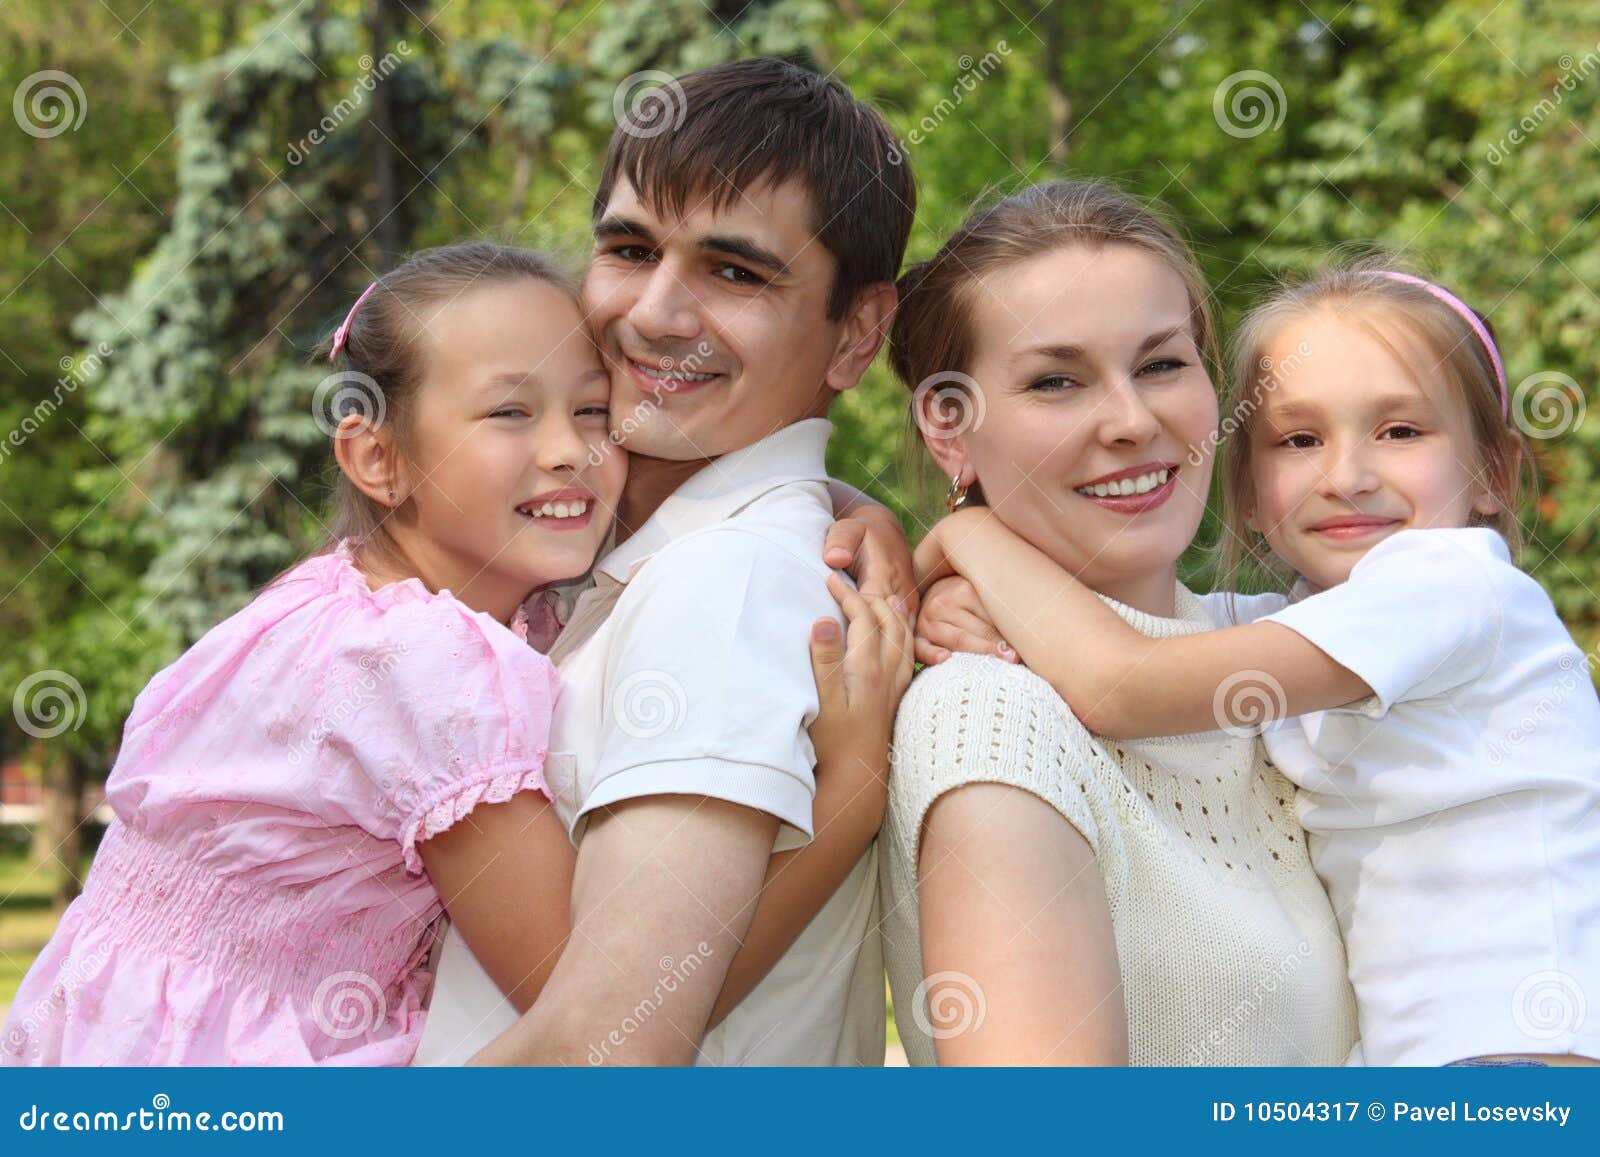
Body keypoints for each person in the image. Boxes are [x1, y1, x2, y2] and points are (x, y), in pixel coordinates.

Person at [1, 241, 906, 1065]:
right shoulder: (422, 670)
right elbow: (607, 1011)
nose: (570, 452)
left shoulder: (344, 606)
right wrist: (852, 792)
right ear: (377, 459)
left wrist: (849, 508)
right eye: (510, 411)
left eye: (593, 411)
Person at [916, 258, 1600, 1067]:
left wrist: (966, 538)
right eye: (1300, 440)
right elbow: (1147, 633)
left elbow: (1120, 681)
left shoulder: (1454, 587)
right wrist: (955, 599)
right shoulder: (1306, 628)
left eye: (1401, 431)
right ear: (1246, 490)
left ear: (1493, 471)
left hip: (1525, 1064)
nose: (1347, 476)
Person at [415, 57, 918, 1066]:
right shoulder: (610, 554)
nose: (654, 313)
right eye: (630, 248)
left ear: (857, 333)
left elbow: (605, 1055)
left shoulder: (726, 584)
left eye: (735, 272)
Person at [880, 179, 1359, 1065]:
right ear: (951, 431)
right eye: (1056, 381)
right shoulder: (991, 717)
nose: (1133, 421)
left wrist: (967, 544)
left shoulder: (1289, 646)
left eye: (1162, 364)